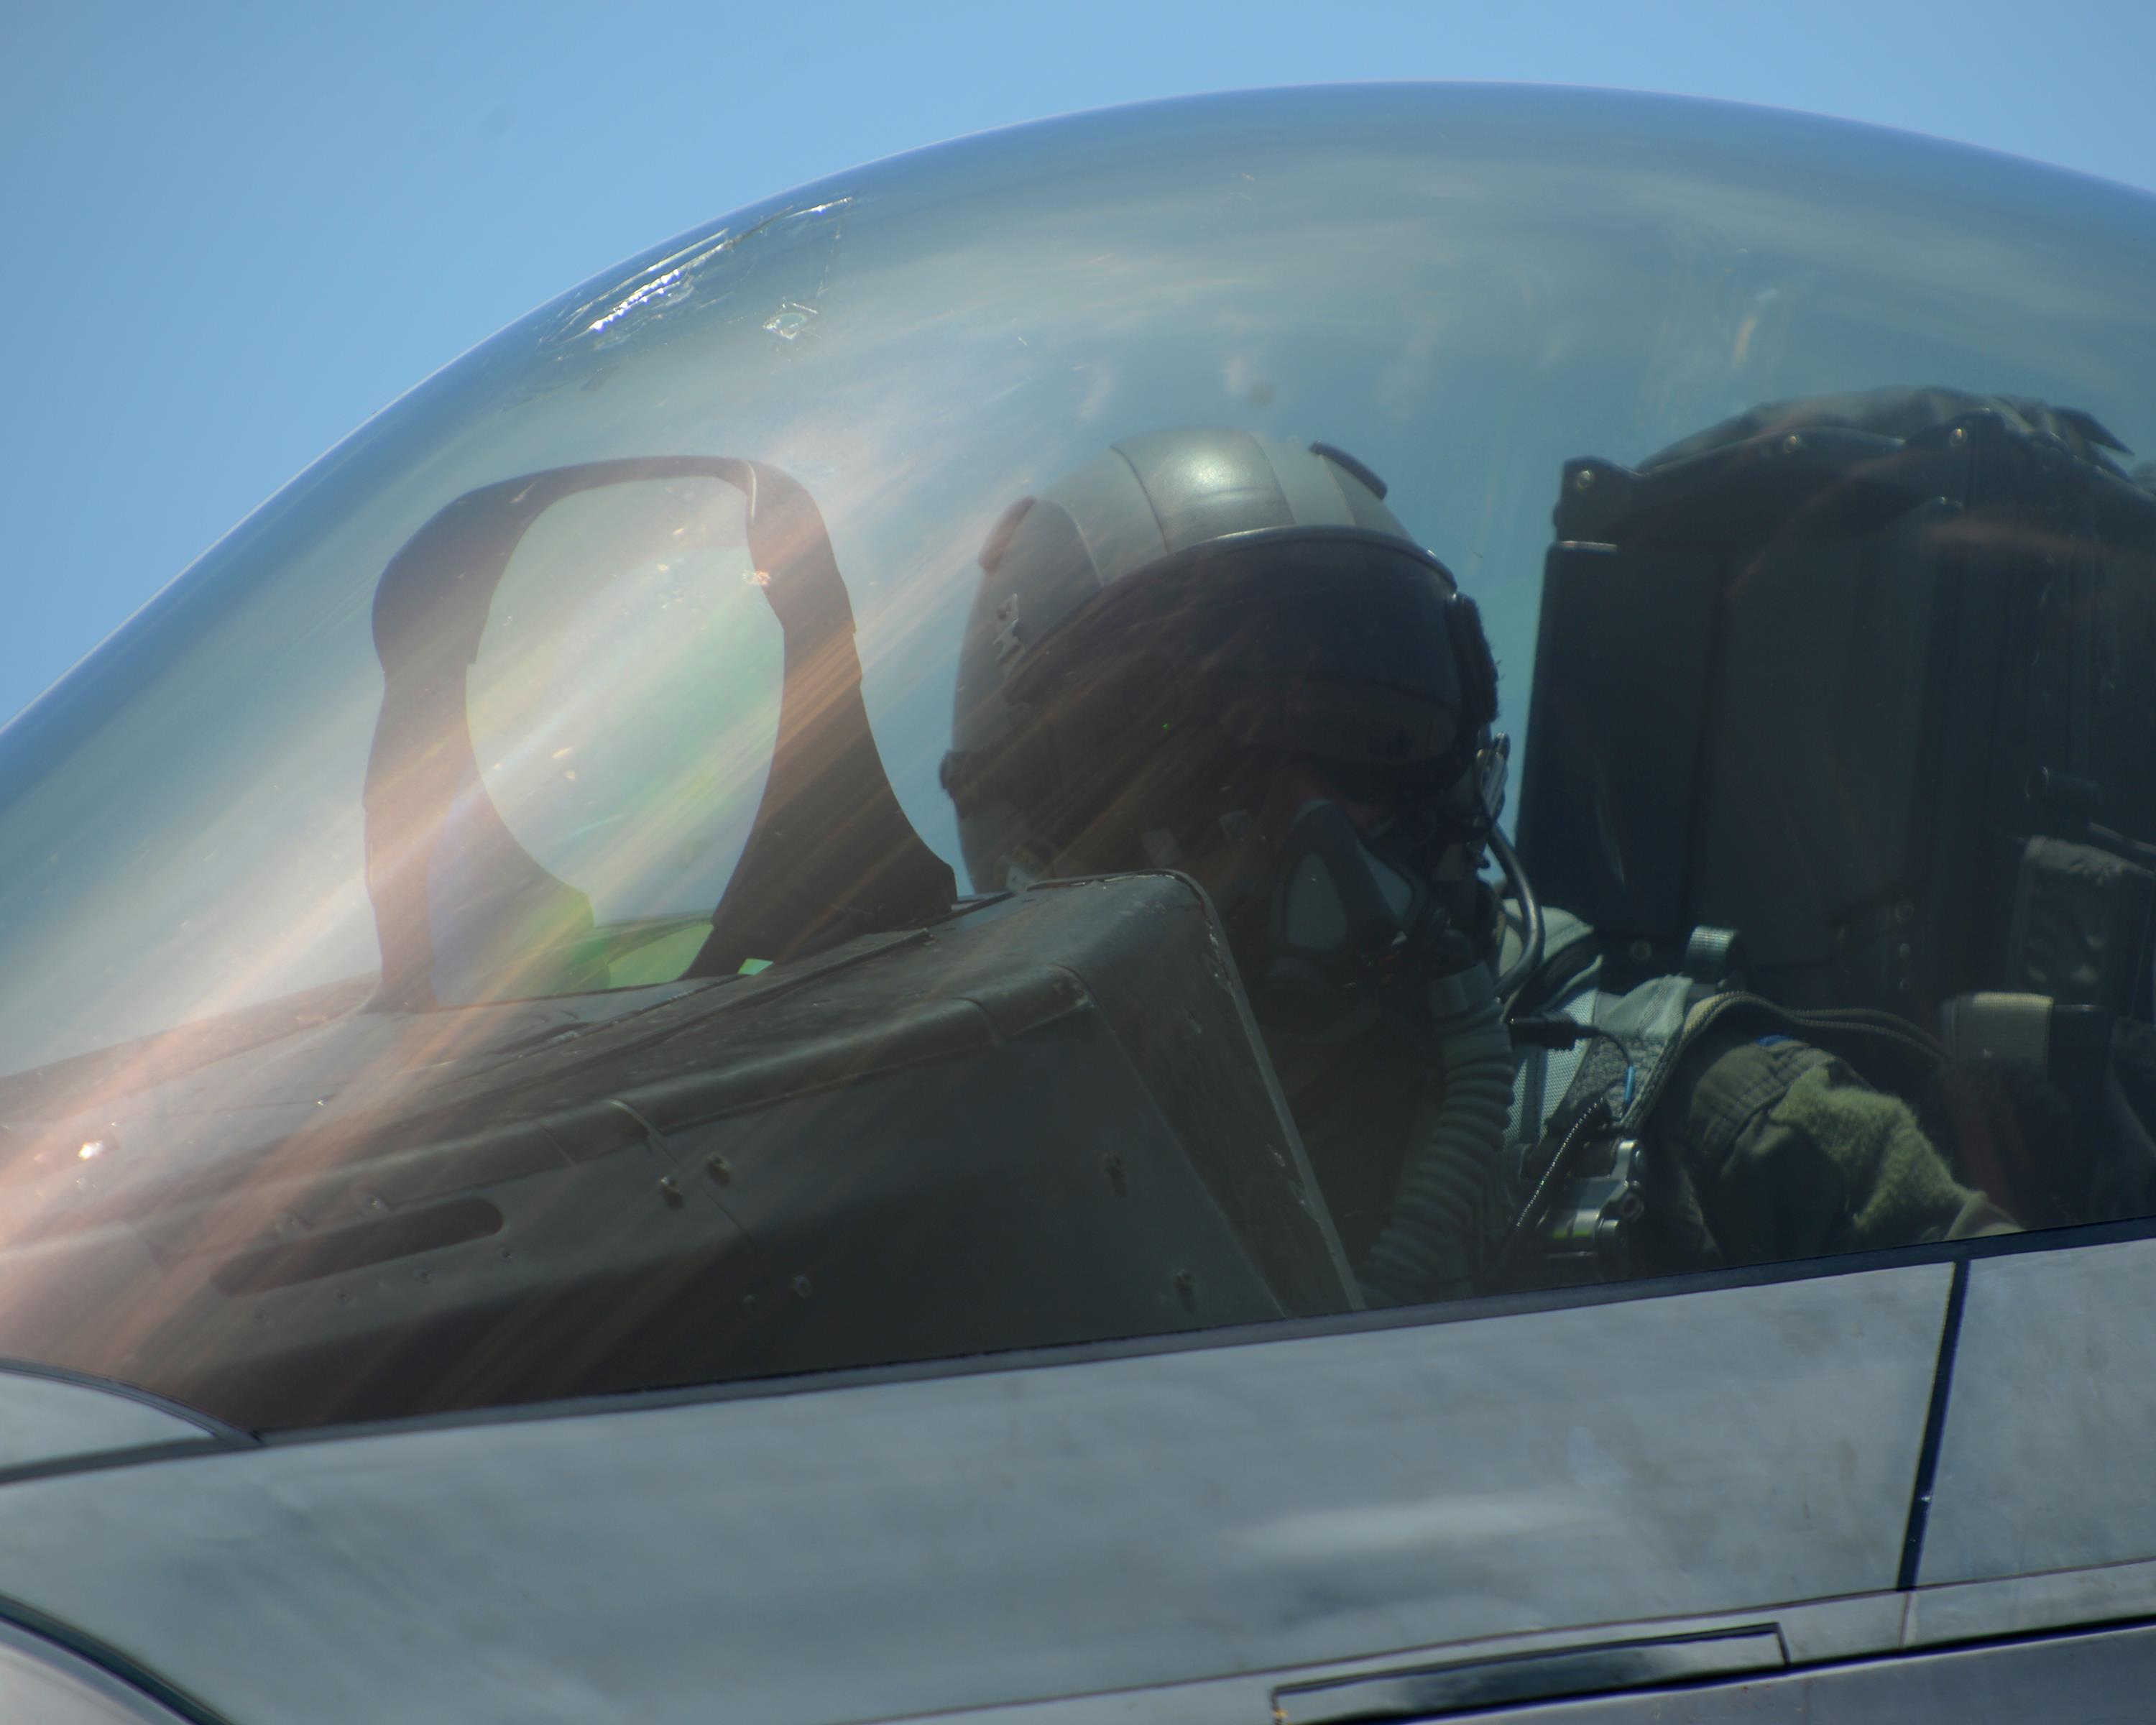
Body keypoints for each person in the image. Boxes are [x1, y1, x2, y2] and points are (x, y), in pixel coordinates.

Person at [943, 427, 2013, 1307]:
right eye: (1195, 774)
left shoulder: (1722, 1127)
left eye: (1370, 733)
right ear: (1038, 837)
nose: (1310, 819)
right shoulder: (969, 1202)